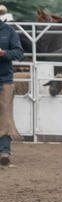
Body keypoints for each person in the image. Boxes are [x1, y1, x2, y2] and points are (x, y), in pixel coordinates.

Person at [0, 11, 24, 167]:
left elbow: (18, 53)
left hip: (4, 81)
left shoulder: (9, 31)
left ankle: (4, 151)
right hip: (5, 79)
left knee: (5, 116)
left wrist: (4, 53)